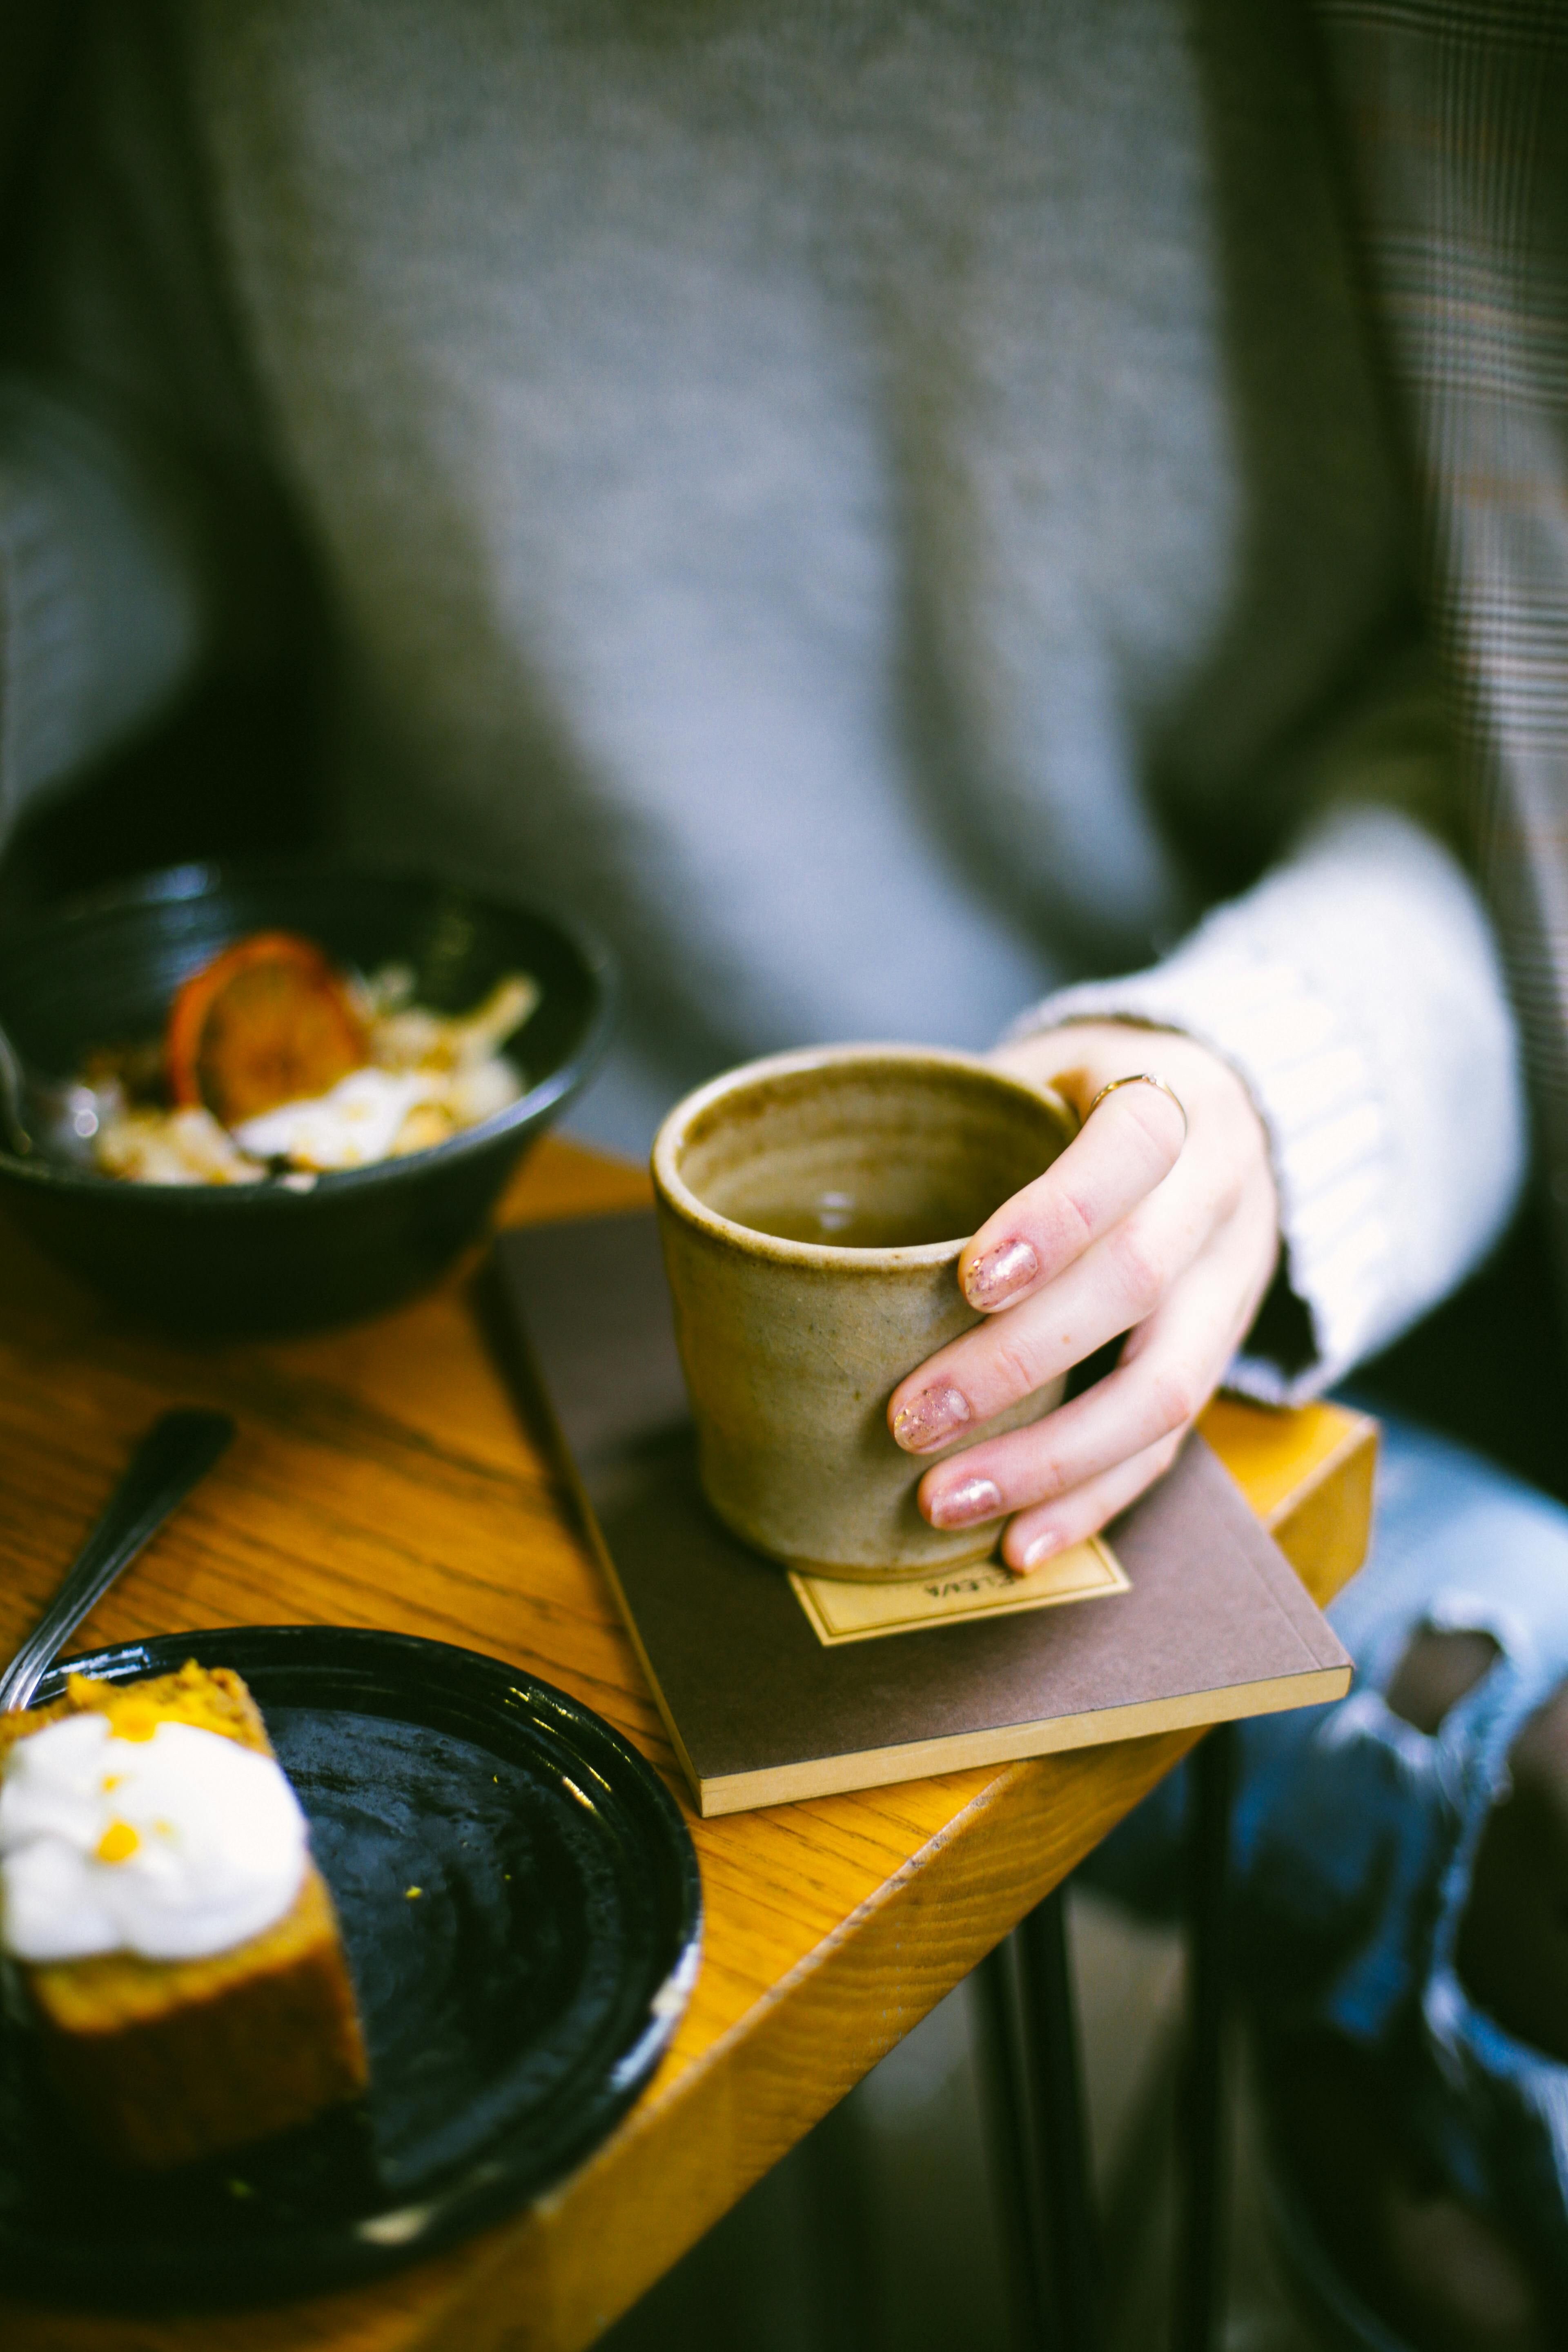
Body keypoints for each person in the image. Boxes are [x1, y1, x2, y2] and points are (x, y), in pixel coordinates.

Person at [2, 3, 1565, 2343]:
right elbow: (146, 443)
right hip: (426, 1276)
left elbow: (1509, 691)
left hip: (1164, 1272)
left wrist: (1261, 1084)